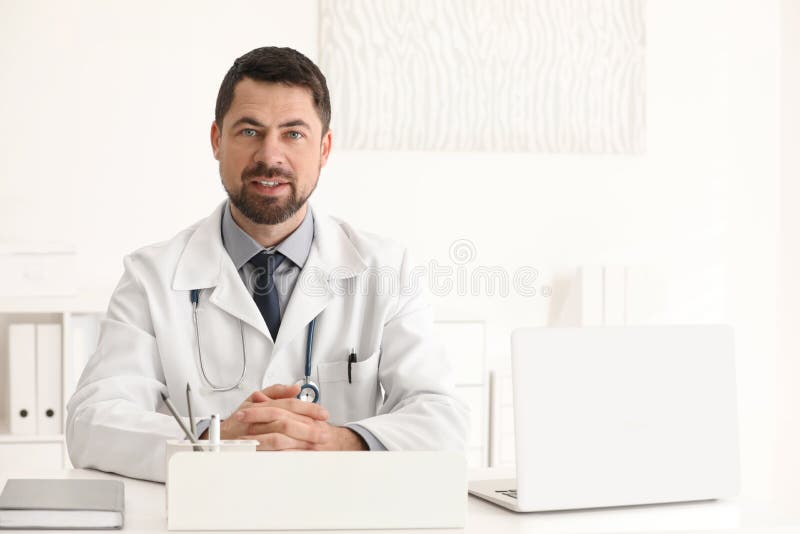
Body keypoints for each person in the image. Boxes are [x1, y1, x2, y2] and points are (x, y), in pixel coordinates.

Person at [66, 46, 468, 482]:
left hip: (338, 517)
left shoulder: (385, 269)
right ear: (217, 140)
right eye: (249, 131)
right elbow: (92, 422)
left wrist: (333, 441)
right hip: (206, 518)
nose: (270, 156)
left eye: (293, 134)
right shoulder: (152, 276)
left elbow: (443, 419)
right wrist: (214, 439)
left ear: (324, 148)